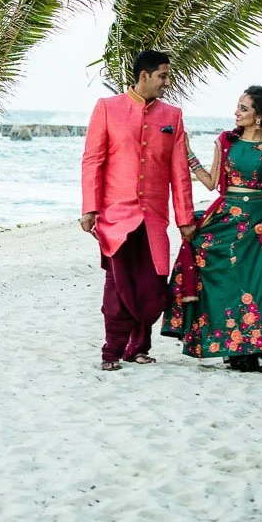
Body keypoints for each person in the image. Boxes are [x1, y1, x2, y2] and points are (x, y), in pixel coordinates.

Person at [162, 85, 262, 371]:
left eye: (244, 108)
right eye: (238, 106)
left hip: (259, 225)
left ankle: (252, 350)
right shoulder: (225, 142)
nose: (236, 112)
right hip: (228, 220)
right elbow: (211, 182)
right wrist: (188, 154)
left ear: (259, 116)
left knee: (254, 287)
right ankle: (226, 344)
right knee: (219, 276)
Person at [80, 50, 196, 371]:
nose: (166, 82)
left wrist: (185, 218)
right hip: (115, 218)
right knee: (118, 287)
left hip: (154, 219)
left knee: (153, 287)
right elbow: (93, 161)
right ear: (144, 76)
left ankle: (138, 347)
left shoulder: (172, 117)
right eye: (163, 76)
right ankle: (112, 351)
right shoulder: (108, 108)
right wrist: (90, 208)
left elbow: (179, 173)